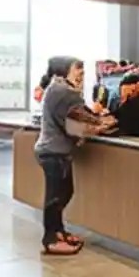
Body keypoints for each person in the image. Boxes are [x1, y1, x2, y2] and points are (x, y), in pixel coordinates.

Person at [35, 56, 110, 256]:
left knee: (64, 192)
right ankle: (50, 239)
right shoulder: (63, 92)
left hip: (55, 152)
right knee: (56, 196)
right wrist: (100, 122)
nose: (81, 74)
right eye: (78, 69)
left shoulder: (57, 89)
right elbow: (78, 124)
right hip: (53, 152)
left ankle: (58, 232)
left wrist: (94, 119)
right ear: (64, 71)